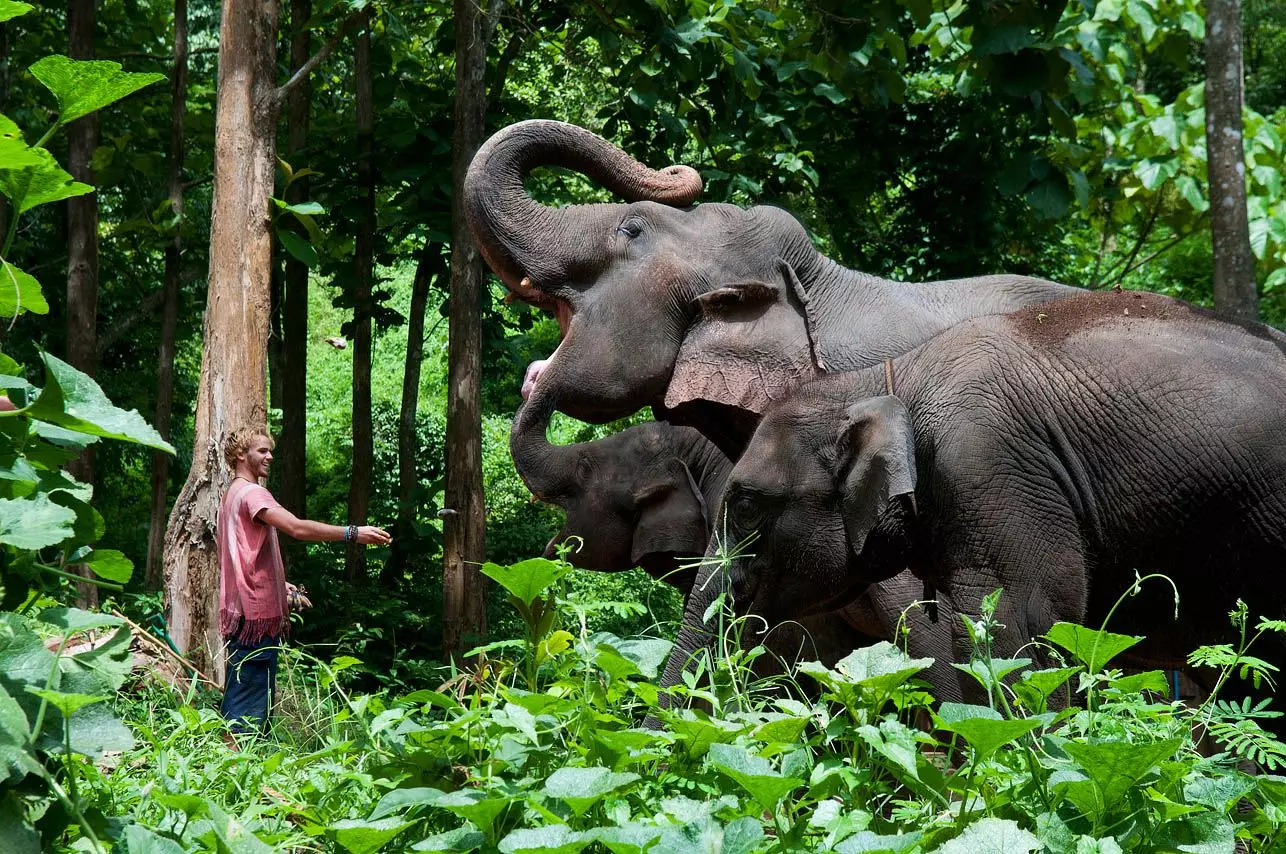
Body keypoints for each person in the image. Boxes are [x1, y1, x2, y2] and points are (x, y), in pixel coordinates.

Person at [217, 427, 391, 739]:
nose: (270, 456)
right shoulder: (253, 493)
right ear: (242, 455)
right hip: (254, 616)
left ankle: (241, 772)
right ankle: (232, 773)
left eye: (270, 450)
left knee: (245, 697)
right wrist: (353, 533)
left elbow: (243, 552)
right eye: (262, 451)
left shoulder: (232, 493)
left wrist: (278, 584)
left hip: (241, 610)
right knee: (246, 712)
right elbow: (296, 528)